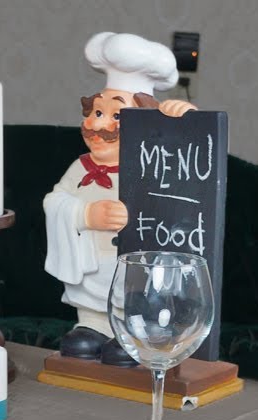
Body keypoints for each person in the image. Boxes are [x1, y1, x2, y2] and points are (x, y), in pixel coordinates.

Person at [44, 32, 195, 365]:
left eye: (115, 116)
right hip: (93, 263)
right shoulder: (81, 166)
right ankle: (93, 327)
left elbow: (190, 166)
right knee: (94, 299)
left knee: (135, 296)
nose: (100, 125)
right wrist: (85, 213)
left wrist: (185, 119)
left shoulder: (153, 164)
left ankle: (132, 331)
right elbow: (54, 200)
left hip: (135, 262)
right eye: (96, 112)